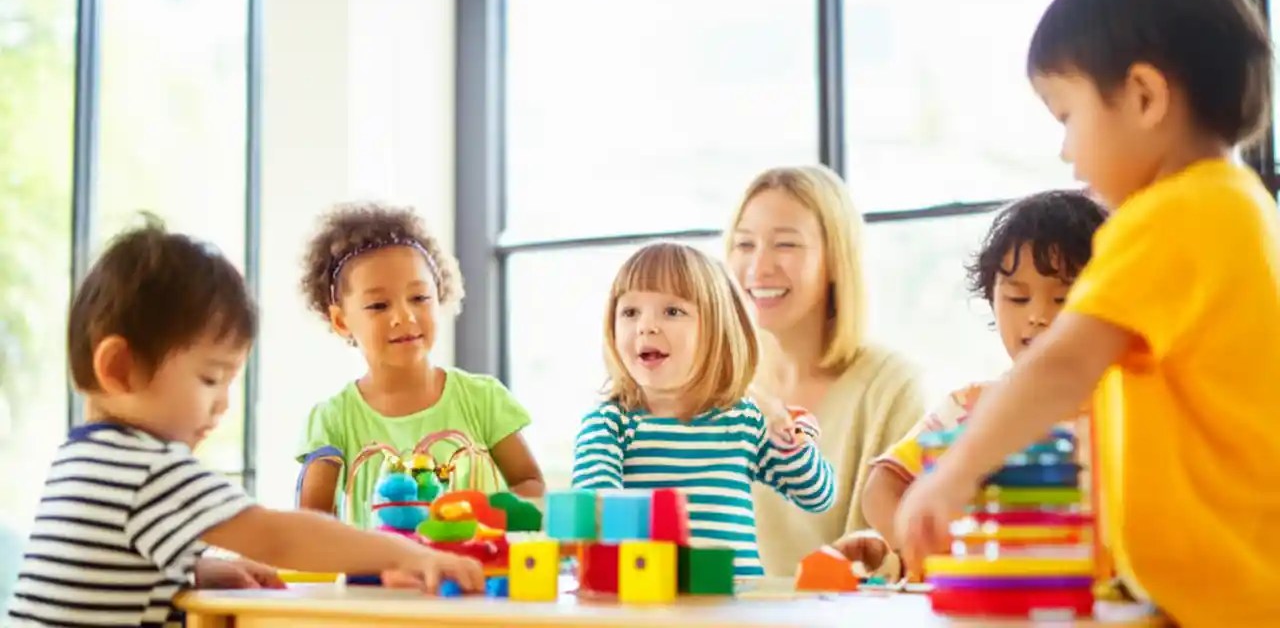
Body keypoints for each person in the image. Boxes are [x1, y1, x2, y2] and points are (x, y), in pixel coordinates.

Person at [896, 0, 1280, 627]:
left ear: (1143, 96)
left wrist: (954, 476)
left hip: (1218, 595)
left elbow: (1063, 366)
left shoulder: (1168, 217)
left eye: (1067, 117)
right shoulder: (1245, 208)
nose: (1066, 152)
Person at [7, 219, 483, 628]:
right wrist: (410, 554)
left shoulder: (84, 455)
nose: (223, 405)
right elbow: (277, 534)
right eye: (211, 378)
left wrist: (196, 569)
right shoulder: (148, 466)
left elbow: (103, 573)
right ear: (119, 367)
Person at [860, 189, 1106, 576]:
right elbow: (881, 488)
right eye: (1017, 299)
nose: (1038, 316)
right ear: (992, 299)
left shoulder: (1127, 409)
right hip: (987, 601)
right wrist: (927, 557)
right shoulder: (966, 406)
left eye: (1062, 299)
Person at [571, 242, 835, 577]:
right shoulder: (610, 424)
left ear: (717, 330)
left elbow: (817, 495)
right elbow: (597, 512)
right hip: (645, 603)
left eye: (672, 311)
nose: (646, 326)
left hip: (732, 610)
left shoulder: (743, 421)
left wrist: (787, 436)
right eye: (630, 312)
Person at [725, 165, 926, 576]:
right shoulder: (713, 388)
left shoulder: (890, 387)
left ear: (836, 260)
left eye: (785, 245)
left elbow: (905, 558)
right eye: (744, 244)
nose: (758, 267)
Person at [295, 203, 543, 528]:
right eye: (379, 305)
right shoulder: (333, 419)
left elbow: (531, 486)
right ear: (341, 321)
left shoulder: (484, 400)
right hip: (379, 578)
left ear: (439, 296)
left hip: (478, 573)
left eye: (419, 298)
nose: (405, 316)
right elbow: (312, 524)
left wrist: (482, 516)